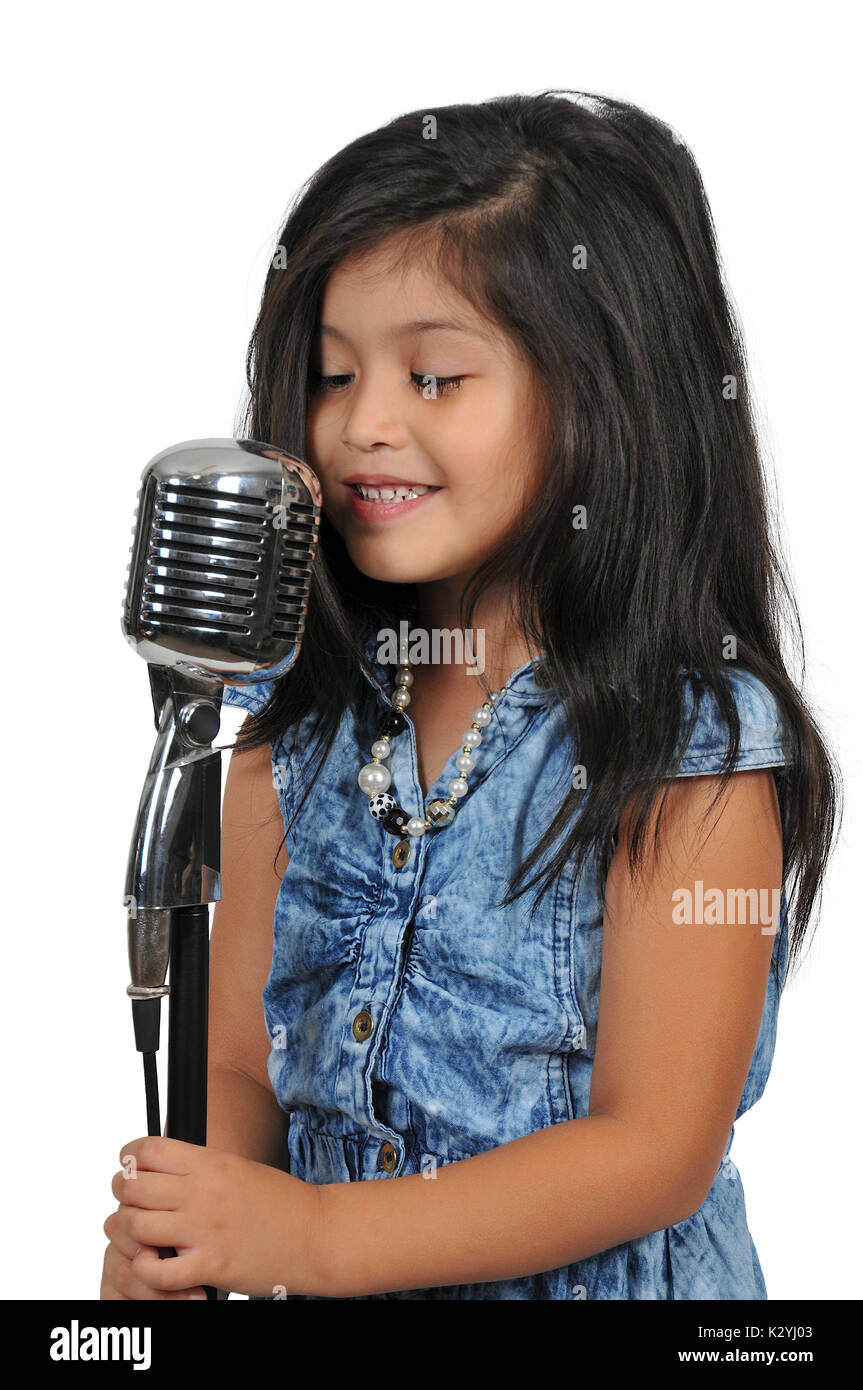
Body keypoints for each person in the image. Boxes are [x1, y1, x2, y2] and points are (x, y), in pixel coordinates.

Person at [101, 89, 841, 1301]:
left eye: (435, 377)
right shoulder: (286, 741)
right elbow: (236, 1068)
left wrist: (315, 1239)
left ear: (606, 394)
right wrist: (195, 1222)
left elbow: (652, 1151)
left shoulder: (685, 752)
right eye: (333, 376)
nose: (362, 424)